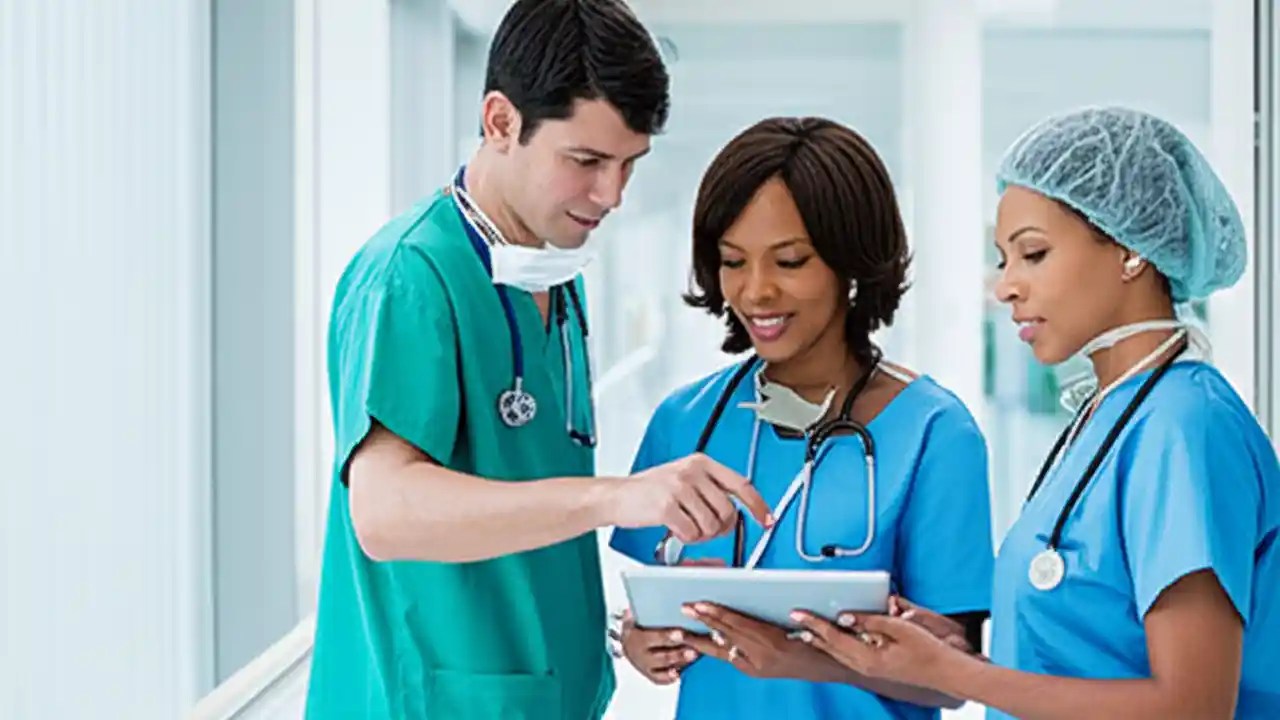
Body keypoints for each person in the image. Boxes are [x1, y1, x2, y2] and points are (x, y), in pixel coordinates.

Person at [305, 2, 772, 718]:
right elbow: (385, 511)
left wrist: (624, 629)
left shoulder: (550, 277)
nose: (611, 195)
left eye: (628, 165)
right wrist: (621, 495)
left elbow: (523, 508)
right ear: (500, 122)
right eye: (585, 161)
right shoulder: (411, 277)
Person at [792, 106, 1280, 719]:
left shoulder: (1185, 428)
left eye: (1034, 254)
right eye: (1003, 259)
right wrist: (940, 653)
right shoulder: (1108, 416)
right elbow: (1084, 652)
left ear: (1129, 249)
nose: (1006, 287)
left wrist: (957, 671)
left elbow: (1192, 706)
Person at [608, 117, 996, 720]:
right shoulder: (686, 423)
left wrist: (798, 656)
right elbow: (648, 612)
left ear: (851, 264)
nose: (755, 291)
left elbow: (953, 680)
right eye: (734, 261)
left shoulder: (934, 433)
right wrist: (640, 642)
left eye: (789, 261)